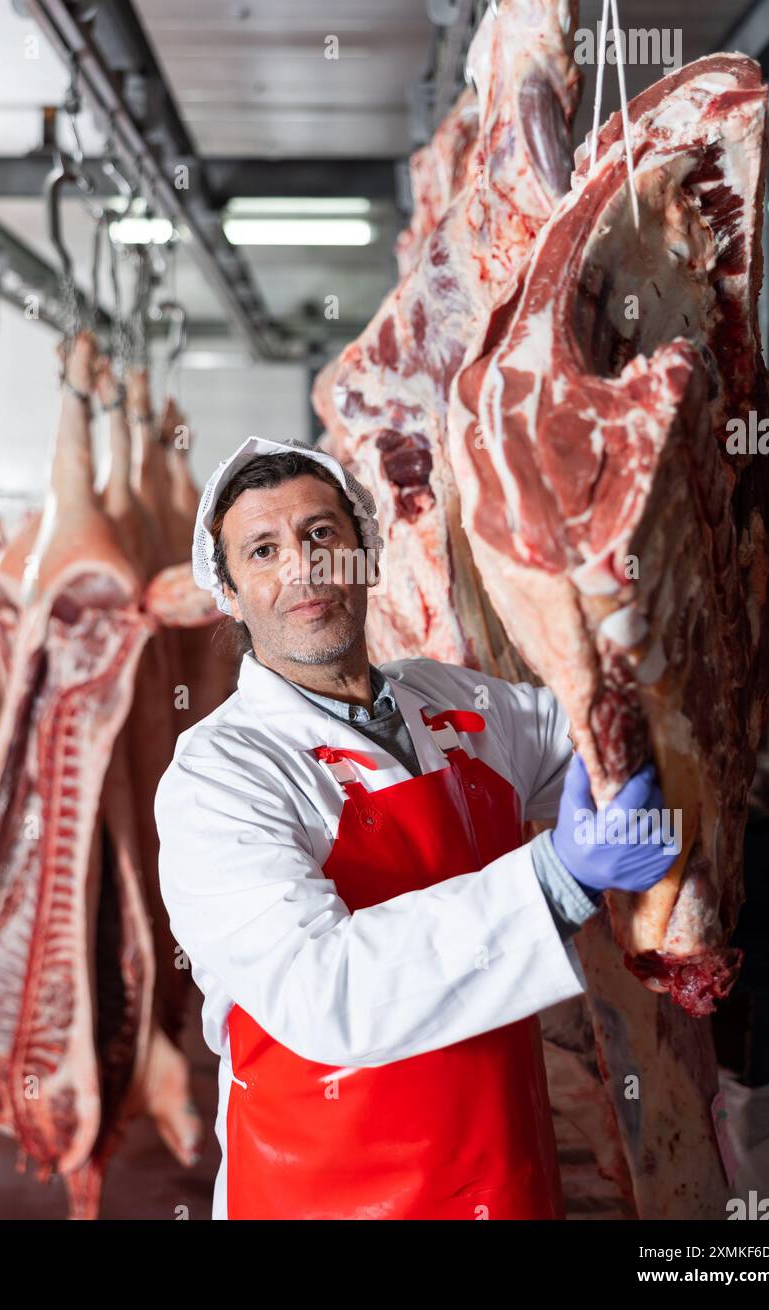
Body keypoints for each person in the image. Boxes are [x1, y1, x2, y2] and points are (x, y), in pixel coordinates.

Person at [154, 436, 672, 1221]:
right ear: (227, 594)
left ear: (366, 555)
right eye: (263, 550)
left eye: (321, 534)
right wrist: (557, 880)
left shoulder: (455, 704)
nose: (303, 567)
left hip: (503, 1177)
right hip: (323, 1194)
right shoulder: (220, 774)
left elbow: (595, 737)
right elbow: (325, 991)